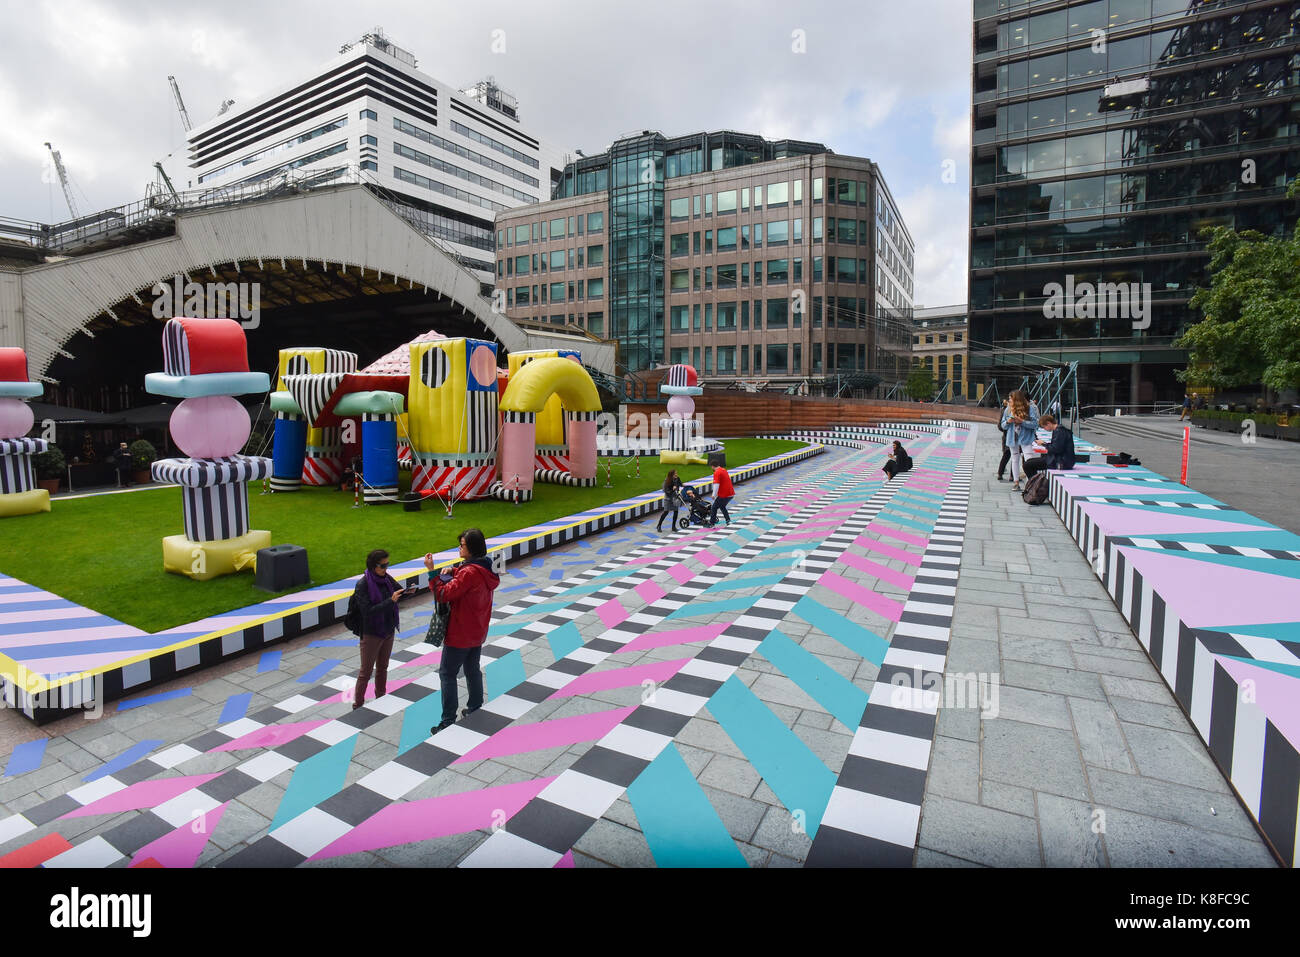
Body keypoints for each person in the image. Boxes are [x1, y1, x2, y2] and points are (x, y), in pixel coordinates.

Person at [423, 528, 500, 734]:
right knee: (472, 669)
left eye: (462, 544)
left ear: (471, 548)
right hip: (478, 630)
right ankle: (475, 706)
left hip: (460, 632)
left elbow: (442, 594)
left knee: (447, 674)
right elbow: (469, 578)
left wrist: (432, 571)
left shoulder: (468, 572)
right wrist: (454, 571)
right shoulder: (486, 568)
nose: (459, 547)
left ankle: (448, 719)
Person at [351, 549, 407, 710]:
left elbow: (398, 592)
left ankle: (381, 697)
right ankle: (358, 704)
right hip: (372, 633)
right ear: (373, 566)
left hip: (388, 629)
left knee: (383, 667)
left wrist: (408, 592)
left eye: (387, 564)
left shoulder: (386, 578)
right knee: (366, 672)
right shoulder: (363, 584)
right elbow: (367, 612)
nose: (386, 568)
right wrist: (391, 601)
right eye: (383, 565)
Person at [1005, 389, 1040, 492]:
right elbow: (1003, 425)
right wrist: (1008, 422)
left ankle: (1031, 483)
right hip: (1012, 437)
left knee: (1029, 459)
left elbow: (1035, 424)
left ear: (1017, 399)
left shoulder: (1030, 408)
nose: (1009, 401)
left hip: (1026, 437)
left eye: (1011, 399)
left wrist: (1022, 422)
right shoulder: (1008, 410)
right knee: (1015, 459)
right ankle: (1016, 482)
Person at [1022, 414, 1075, 481]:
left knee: (1027, 465)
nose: (1045, 429)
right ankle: (1035, 484)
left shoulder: (1059, 431)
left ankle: (1035, 485)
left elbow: (1056, 449)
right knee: (1029, 462)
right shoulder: (1060, 430)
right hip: (1061, 459)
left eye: (1044, 427)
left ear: (1048, 423)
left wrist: (1043, 444)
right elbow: (1057, 446)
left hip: (1061, 461)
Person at [996, 398, 1012, 481]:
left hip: (1007, 436)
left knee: (1009, 455)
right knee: (1008, 455)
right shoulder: (1005, 411)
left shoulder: (1004, 410)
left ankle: (1002, 474)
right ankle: (1001, 473)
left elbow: (999, 426)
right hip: (1007, 436)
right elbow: (1000, 425)